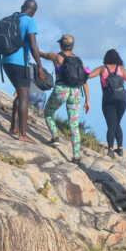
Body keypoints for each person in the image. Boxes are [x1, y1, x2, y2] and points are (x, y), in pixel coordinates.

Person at [1, 0, 56, 144]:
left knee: (20, 93)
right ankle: (23, 134)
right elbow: (33, 45)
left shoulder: (13, 18)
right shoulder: (29, 21)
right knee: (24, 96)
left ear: (22, 7)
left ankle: (14, 127)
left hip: (6, 62)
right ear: (34, 11)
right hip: (19, 63)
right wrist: (39, 66)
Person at [88, 48, 126, 157]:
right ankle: (120, 148)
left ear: (106, 58)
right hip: (122, 99)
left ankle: (111, 149)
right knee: (116, 123)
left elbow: (88, 76)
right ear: (117, 58)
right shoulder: (121, 69)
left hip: (108, 99)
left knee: (111, 125)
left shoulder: (102, 69)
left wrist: (83, 70)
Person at [48, 34, 91, 162]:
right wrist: (88, 100)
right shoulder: (79, 60)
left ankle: (55, 137)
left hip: (62, 89)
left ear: (61, 44)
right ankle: (76, 155)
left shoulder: (57, 57)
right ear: (72, 46)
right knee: (74, 125)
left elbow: (42, 54)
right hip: (76, 92)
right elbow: (85, 80)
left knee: (48, 113)